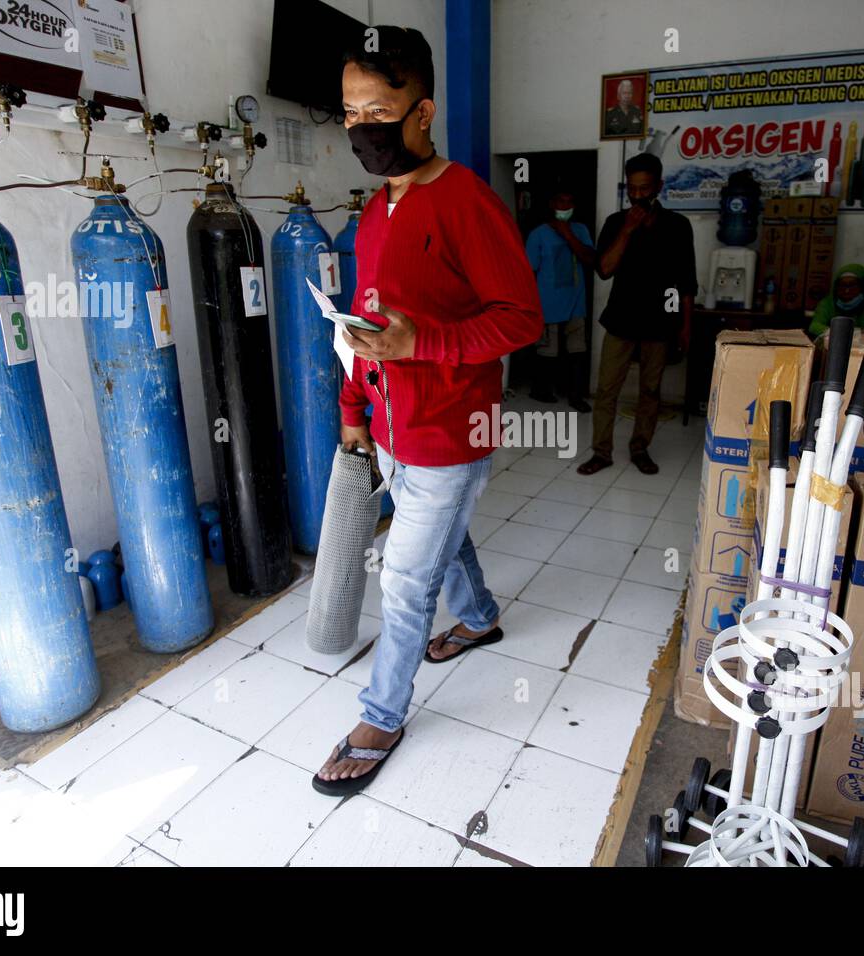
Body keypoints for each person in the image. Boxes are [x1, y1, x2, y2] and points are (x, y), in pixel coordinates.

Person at [313, 26, 543, 796]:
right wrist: (354, 402)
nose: (361, 128)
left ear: (424, 111)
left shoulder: (465, 200)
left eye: (378, 110)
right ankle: (479, 618)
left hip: (451, 427)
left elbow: (520, 318)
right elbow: (364, 319)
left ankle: (381, 714)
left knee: (406, 582)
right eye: (349, 114)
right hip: (389, 427)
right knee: (445, 532)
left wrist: (425, 344)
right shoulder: (376, 211)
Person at [578, 152, 696, 477]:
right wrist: (627, 232)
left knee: (650, 392)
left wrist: (686, 326)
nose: (639, 196)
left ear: (658, 186)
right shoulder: (616, 223)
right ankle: (601, 452)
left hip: (660, 323)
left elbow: (687, 281)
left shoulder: (677, 226)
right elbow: (604, 269)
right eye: (633, 189)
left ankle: (640, 447)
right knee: (606, 390)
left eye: (645, 189)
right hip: (620, 320)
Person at [525, 187, 595, 410]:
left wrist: (567, 233)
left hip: (576, 301)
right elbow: (529, 270)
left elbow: (589, 258)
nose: (565, 206)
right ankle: (541, 390)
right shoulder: (538, 234)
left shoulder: (580, 229)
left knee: (577, 351)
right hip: (547, 302)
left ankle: (575, 396)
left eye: (569, 201)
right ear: (551, 204)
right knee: (547, 351)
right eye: (560, 201)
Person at [808, 263, 864, 337]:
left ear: (862, 286)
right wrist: (835, 332)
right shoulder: (828, 302)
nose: (847, 290)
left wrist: (857, 333)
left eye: (852, 285)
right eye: (843, 285)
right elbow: (814, 326)